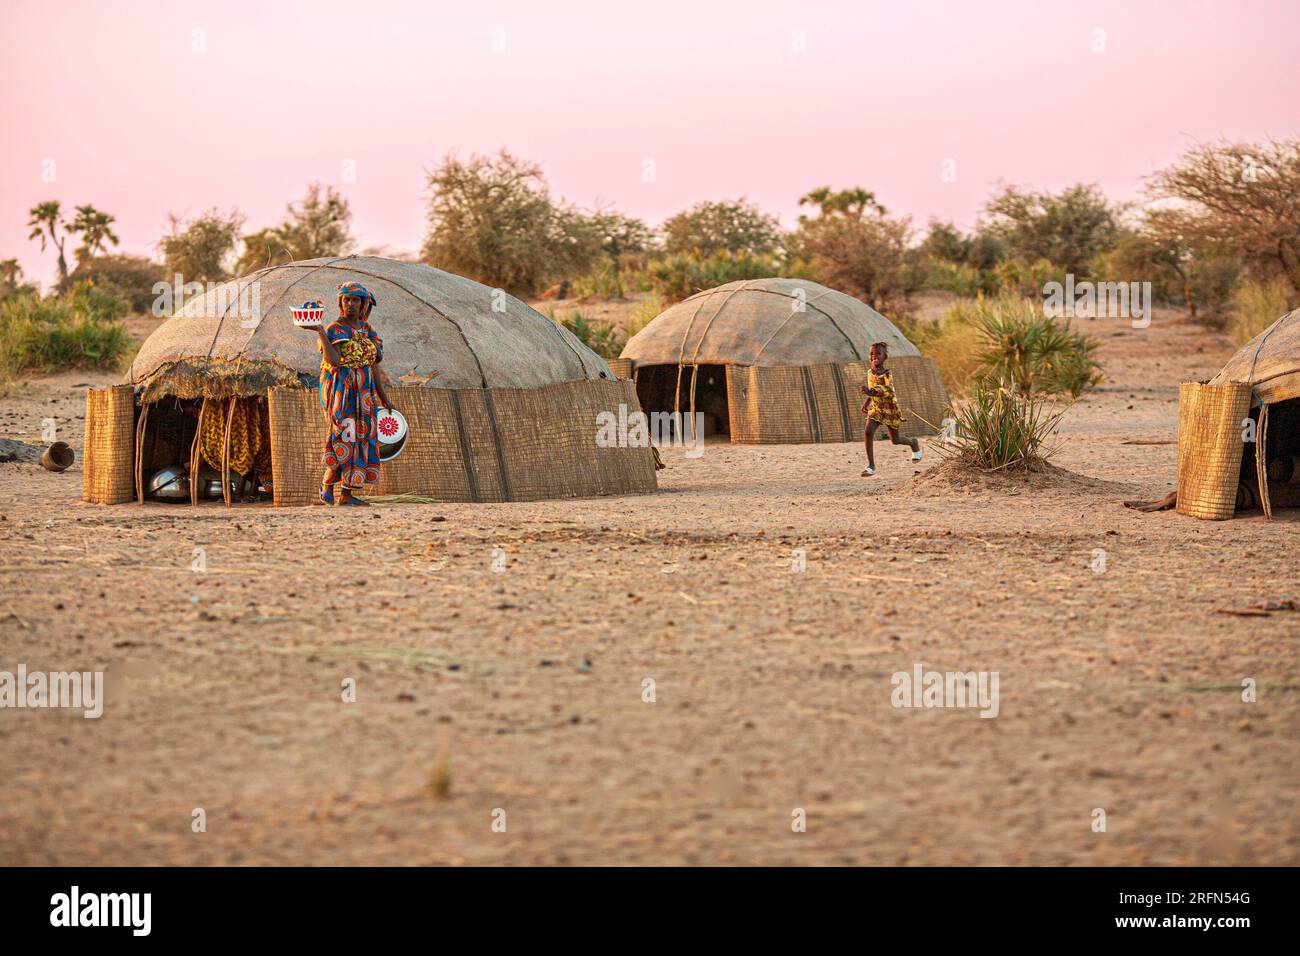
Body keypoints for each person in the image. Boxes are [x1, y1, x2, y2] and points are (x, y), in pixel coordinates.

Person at [311, 281, 395, 506]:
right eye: (346, 300)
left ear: (364, 303)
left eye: (355, 300)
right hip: (341, 390)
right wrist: (320, 332)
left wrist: (383, 397)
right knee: (342, 434)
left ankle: (346, 495)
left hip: (365, 393)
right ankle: (328, 482)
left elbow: (373, 364)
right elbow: (334, 360)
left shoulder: (368, 331)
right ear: (340, 302)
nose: (350, 304)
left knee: (361, 437)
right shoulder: (334, 329)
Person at [860, 341, 922, 477]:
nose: (874, 356)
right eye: (871, 354)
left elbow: (887, 390)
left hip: (889, 409)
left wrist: (870, 393)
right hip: (877, 408)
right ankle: (871, 466)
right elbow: (872, 388)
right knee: (868, 431)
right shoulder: (870, 372)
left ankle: (913, 442)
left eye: (878, 354)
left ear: (885, 357)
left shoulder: (887, 374)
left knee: (895, 440)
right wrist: (867, 402)